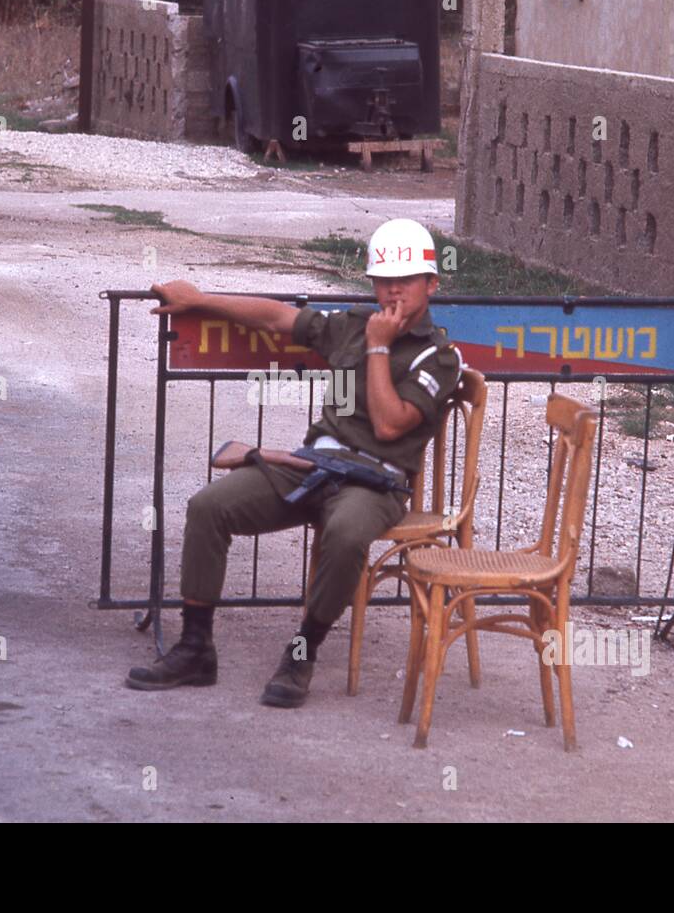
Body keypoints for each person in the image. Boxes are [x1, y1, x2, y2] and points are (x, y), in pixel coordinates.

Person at [125, 218, 463, 707]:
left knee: (347, 535)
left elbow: (391, 426)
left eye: (405, 282)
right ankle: (195, 647)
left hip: (374, 484)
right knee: (208, 507)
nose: (392, 293)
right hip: (312, 467)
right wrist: (201, 300)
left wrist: (378, 346)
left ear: (430, 284)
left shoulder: (438, 357)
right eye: (383, 281)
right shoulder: (351, 325)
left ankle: (301, 654)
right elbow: (277, 319)